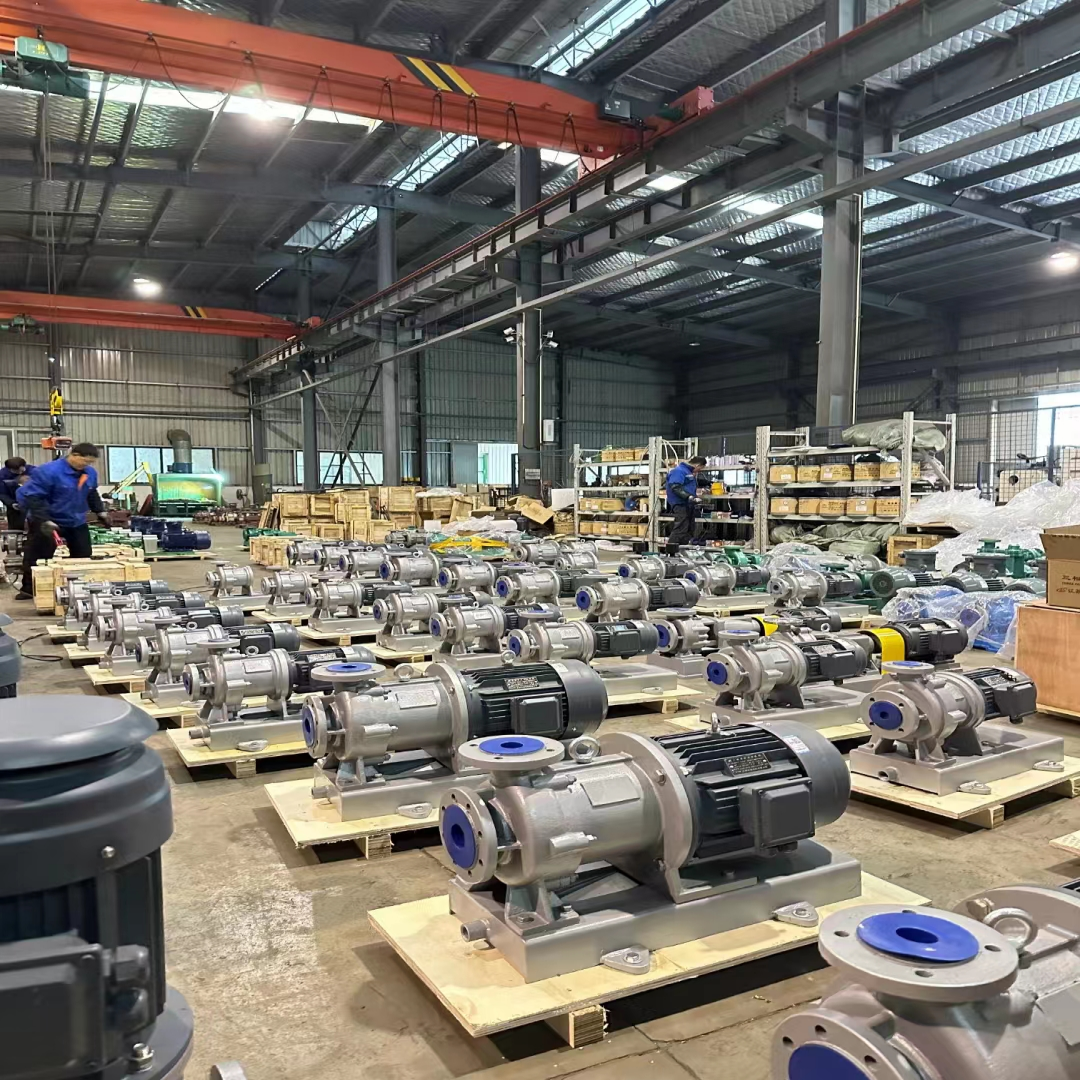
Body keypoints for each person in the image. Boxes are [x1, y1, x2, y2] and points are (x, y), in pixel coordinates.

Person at [14, 443, 109, 600]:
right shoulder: (48, 471)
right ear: (74, 455)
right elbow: (34, 497)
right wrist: (44, 520)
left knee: (83, 554)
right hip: (48, 520)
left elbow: (91, 493)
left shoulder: (89, 473)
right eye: (85, 461)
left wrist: (101, 511)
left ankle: (76, 589)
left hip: (75, 520)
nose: (87, 465)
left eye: (90, 463)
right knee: (39, 557)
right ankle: (29, 589)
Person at [665, 455, 706, 554]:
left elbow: (687, 484)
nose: (699, 471)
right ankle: (670, 553)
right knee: (680, 528)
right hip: (680, 503)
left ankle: (682, 552)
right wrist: (689, 497)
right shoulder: (679, 471)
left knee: (689, 529)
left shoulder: (688, 472)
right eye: (700, 468)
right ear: (697, 465)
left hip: (688, 504)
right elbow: (675, 486)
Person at [0, 457, 34, 531]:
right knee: (15, 528)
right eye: (17, 471)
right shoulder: (2, 476)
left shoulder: (34, 471)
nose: (20, 472)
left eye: (22, 470)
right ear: (9, 469)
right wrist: (11, 503)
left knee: (36, 525)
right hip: (15, 504)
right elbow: (2, 493)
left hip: (33, 502)